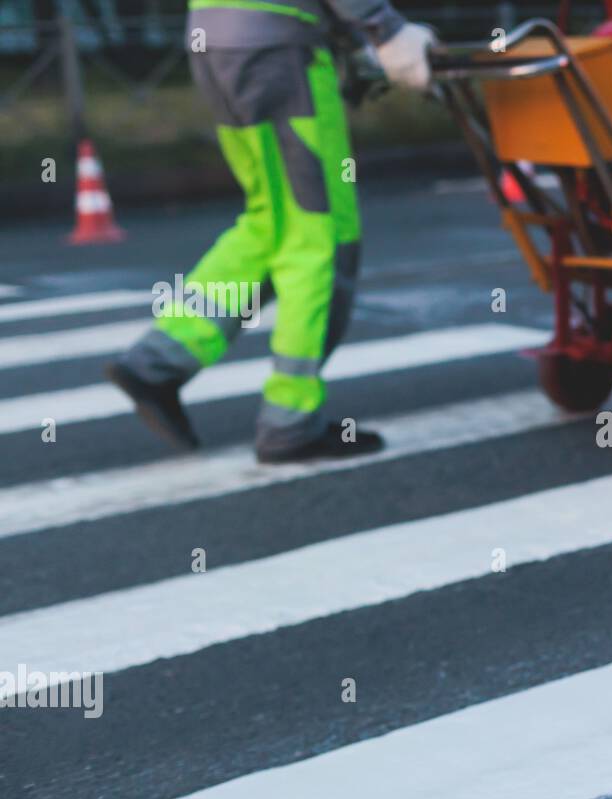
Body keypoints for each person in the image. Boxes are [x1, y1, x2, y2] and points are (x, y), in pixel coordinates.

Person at [106, 0, 437, 463]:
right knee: (320, 235)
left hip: (218, 40)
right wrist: (386, 28)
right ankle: (290, 420)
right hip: (281, 49)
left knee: (271, 218)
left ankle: (158, 363)